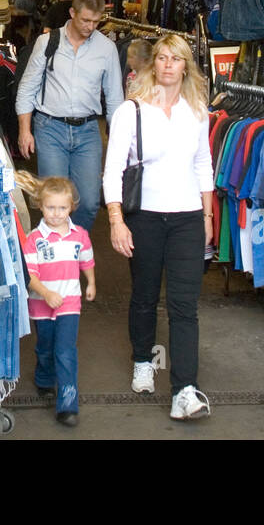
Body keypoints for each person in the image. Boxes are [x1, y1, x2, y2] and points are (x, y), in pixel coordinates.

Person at [103, 33, 214, 421]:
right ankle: (142, 359)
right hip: (144, 216)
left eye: (176, 59)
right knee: (145, 295)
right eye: (163, 58)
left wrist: (207, 216)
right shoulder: (131, 111)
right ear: (153, 64)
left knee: (185, 307)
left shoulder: (197, 110)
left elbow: (203, 164)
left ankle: (185, 389)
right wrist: (116, 221)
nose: (168, 65)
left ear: (186, 66)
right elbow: (113, 169)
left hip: (186, 218)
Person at [16, 0, 125, 232]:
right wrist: (25, 131)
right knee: (53, 200)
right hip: (50, 128)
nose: (90, 27)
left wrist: (119, 141)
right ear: (72, 13)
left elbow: (115, 98)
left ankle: (73, 245)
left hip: (87, 131)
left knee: (88, 202)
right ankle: (58, 259)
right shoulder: (48, 42)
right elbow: (27, 89)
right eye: (85, 20)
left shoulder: (106, 49)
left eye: (96, 21)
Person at [18, 172, 96, 427]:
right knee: (45, 348)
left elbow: (87, 261)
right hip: (41, 305)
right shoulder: (34, 240)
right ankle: (43, 377)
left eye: (62, 208)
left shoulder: (80, 235)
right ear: (40, 206)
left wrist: (91, 283)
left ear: (71, 207)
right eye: (51, 207)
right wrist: (46, 293)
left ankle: (67, 404)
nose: (56, 213)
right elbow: (30, 276)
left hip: (70, 303)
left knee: (65, 352)